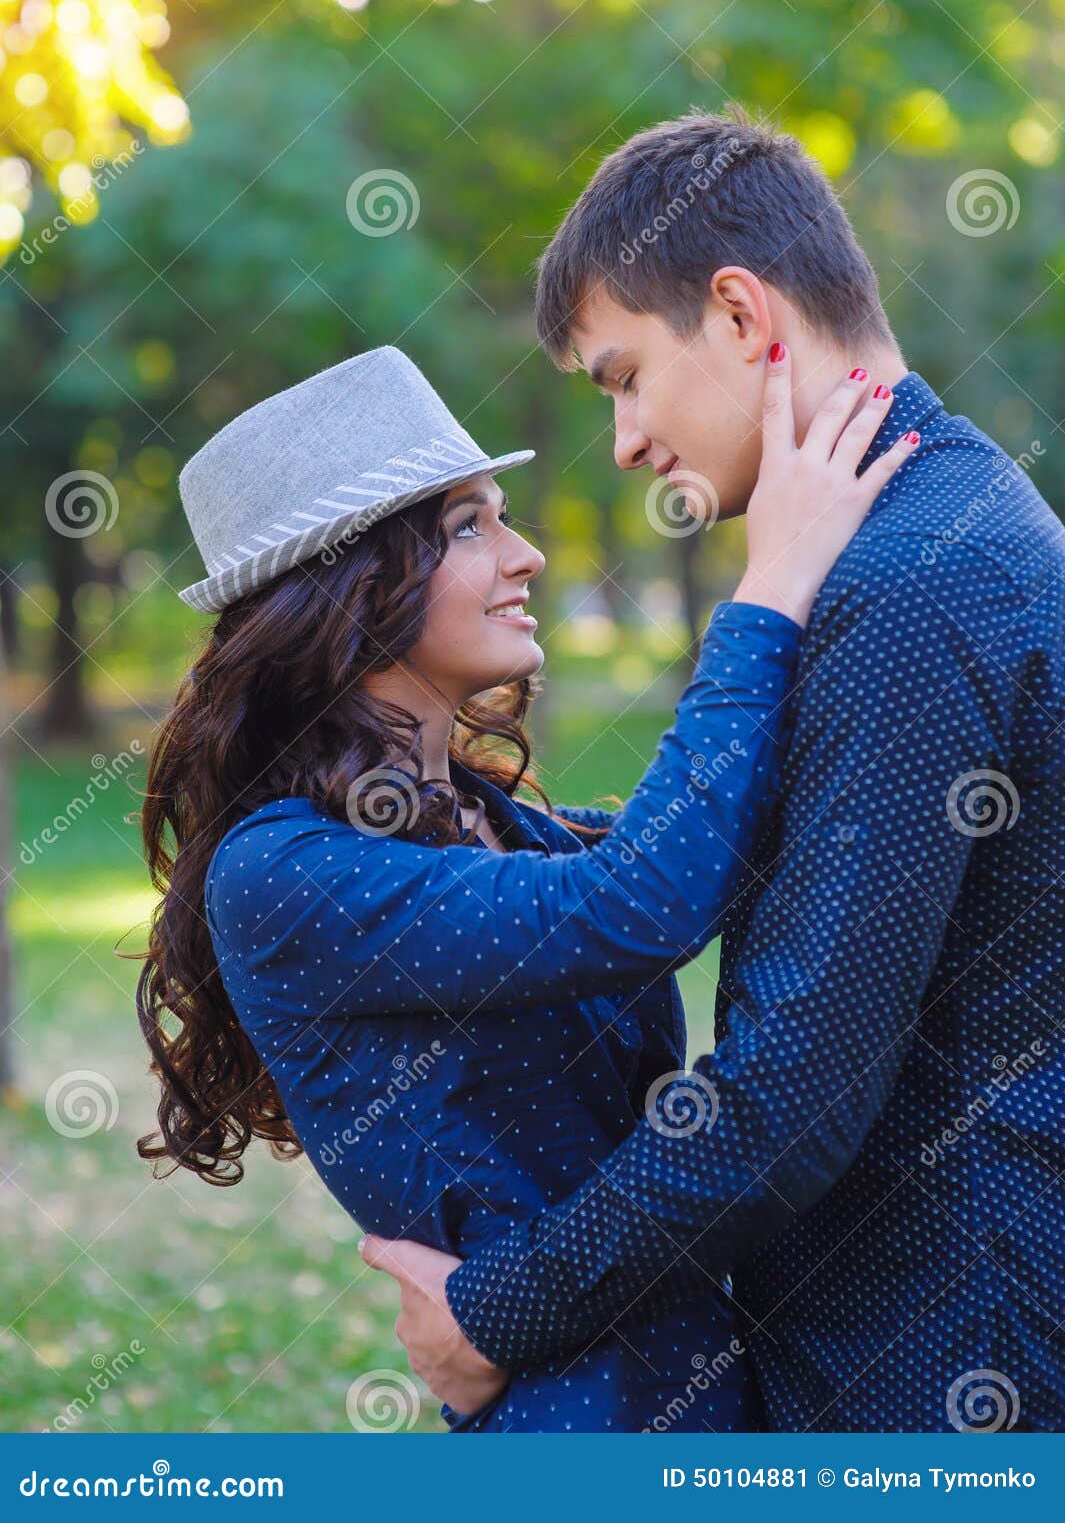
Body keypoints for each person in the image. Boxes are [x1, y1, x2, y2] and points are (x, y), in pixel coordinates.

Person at [361, 107, 1065, 1434]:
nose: (623, 438)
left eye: (624, 374)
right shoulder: (922, 532)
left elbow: (787, 1094)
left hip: (942, 1362)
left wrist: (496, 1309)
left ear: (740, 316)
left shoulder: (915, 586)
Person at [136, 339, 912, 1432]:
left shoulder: (501, 824)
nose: (528, 554)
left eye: (502, 515)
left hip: (710, 1397)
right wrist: (769, 589)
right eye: (470, 526)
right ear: (353, 589)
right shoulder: (282, 875)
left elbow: (722, 851)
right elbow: (642, 902)